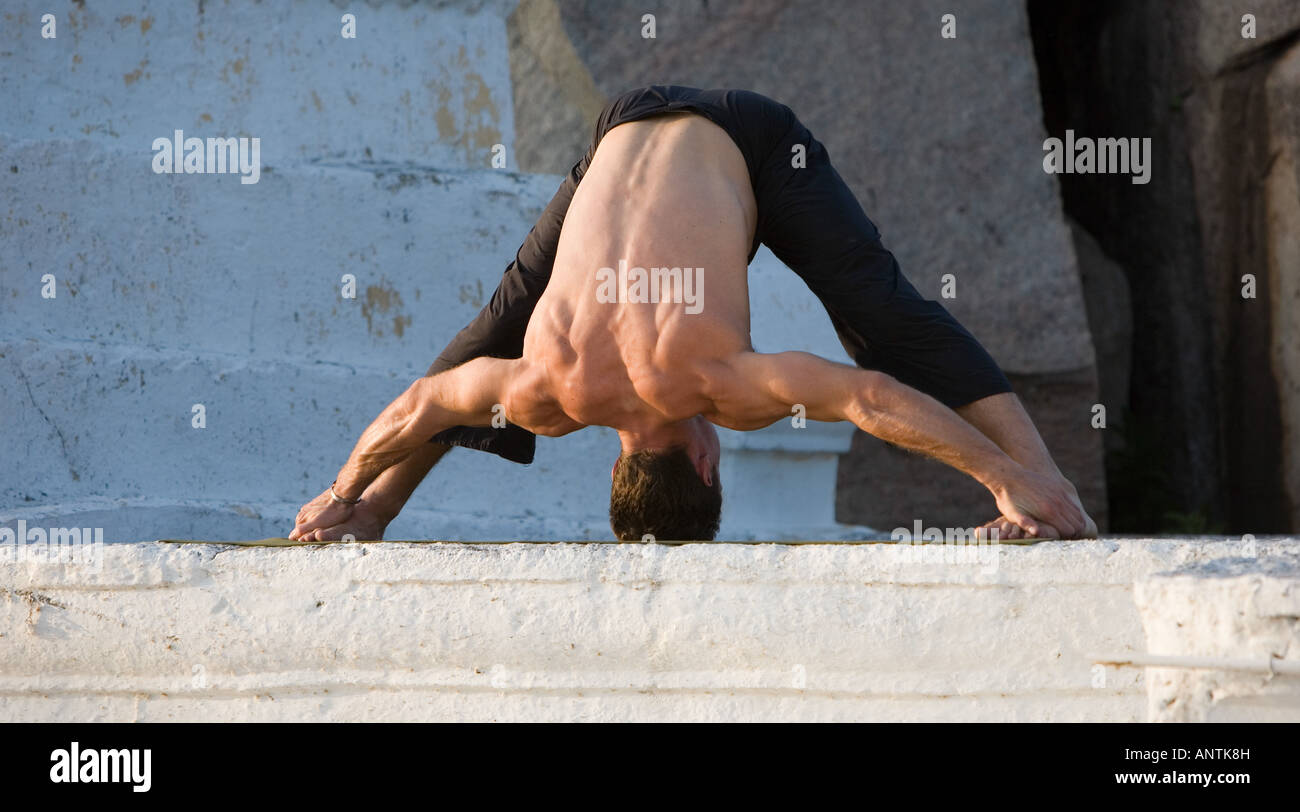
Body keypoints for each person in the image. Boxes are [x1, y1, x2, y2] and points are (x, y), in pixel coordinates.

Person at [290, 85, 1097, 543]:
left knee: (882, 312)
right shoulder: (544, 392)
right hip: (618, 126)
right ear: (617, 470)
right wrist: (339, 487)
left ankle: (1048, 489)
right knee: (485, 344)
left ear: (707, 466)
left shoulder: (722, 388)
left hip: (747, 139)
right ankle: (367, 516)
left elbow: (871, 396)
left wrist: (1007, 480)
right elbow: (418, 406)